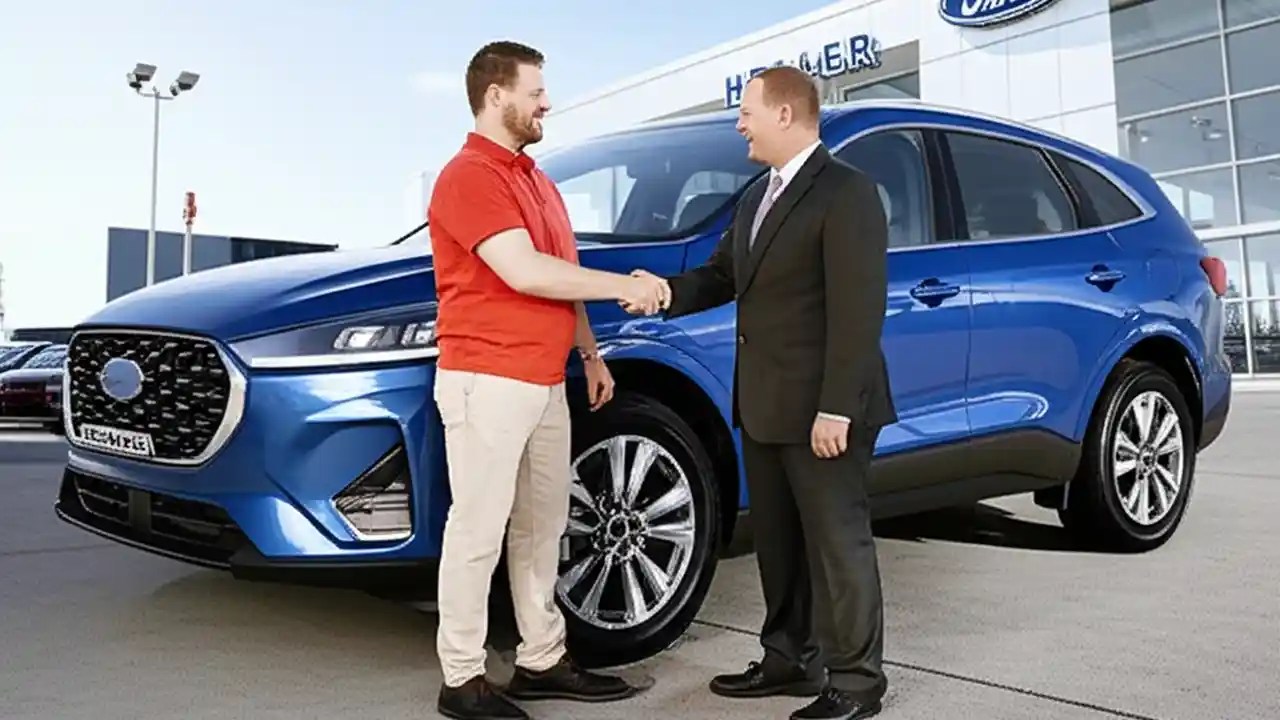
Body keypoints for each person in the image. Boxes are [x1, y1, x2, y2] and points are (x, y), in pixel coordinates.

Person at [625, 66, 896, 720]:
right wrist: (663, 293)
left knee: (837, 546)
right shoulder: (756, 197)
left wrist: (836, 406)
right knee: (780, 543)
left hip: (824, 410)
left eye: (747, 111)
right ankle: (790, 659)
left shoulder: (847, 192)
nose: (739, 123)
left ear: (785, 114)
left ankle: (857, 684)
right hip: (767, 406)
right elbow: (721, 277)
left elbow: (859, 311)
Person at [426, 40, 666, 720]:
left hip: (545, 379)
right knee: (477, 530)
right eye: (535, 91)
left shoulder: (536, 178)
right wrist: (628, 287)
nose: (546, 102)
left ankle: (540, 659)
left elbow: (561, 277)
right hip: (486, 379)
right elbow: (524, 271)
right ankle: (463, 678)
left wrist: (589, 353)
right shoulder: (468, 176)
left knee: (540, 528)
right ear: (496, 95)